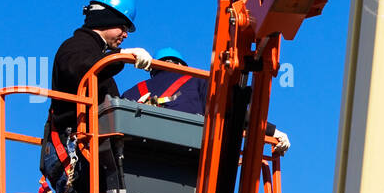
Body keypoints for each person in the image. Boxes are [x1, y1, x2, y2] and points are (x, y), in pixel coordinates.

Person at [41, 0, 153, 193]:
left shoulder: (96, 57)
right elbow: (79, 69)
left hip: (87, 152)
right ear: (107, 20)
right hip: (71, 151)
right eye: (124, 27)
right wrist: (121, 57)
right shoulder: (77, 47)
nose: (126, 35)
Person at [121, 46, 291, 153]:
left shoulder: (131, 92)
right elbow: (231, 110)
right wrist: (273, 132)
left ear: (153, 69)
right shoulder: (197, 80)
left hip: (133, 158)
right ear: (182, 66)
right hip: (186, 156)